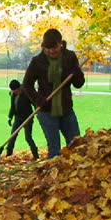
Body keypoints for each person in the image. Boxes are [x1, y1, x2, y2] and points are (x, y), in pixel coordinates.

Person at [22, 28, 85, 159]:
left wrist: (77, 73)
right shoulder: (37, 61)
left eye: (54, 47)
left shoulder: (70, 57)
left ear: (60, 43)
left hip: (66, 109)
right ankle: (54, 177)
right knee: (54, 150)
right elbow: (27, 85)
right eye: (48, 48)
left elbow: (78, 84)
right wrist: (38, 100)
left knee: (76, 146)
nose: (52, 51)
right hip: (46, 111)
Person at [7, 79, 39, 160]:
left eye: (15, 90)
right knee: (12, 137)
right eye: (12, 90)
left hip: (28, 118)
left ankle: (36, 156)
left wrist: (36, 110)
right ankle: (8, 156)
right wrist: (10, 117)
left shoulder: (27, 93)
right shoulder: (13, 95)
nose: (14, 92)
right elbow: (13, 107)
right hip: (18, 118)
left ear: (19, 88)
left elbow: (34, 102)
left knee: (28, 137)